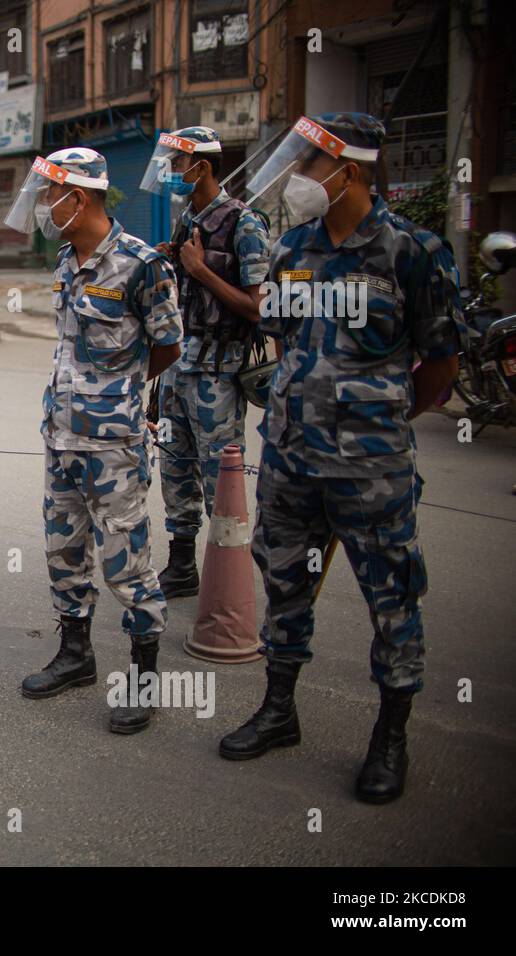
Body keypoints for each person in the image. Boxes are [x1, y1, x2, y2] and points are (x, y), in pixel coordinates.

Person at [219, 113, 462, 803]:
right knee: (285, 583)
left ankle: (391, 734)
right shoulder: (294, 247)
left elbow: (439, 371)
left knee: (391, 597)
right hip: (290, 461)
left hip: (370, 470)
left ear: (346, 172)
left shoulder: (412, 252)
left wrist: (371, 418)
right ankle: (279, 708)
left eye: (306, 166)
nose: (296, 179)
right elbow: (278, 333)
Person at [4, 148, 182, 734]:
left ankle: (144, 678)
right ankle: (76, 655)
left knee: (127, 565)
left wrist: (118, 396)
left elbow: (168, 347)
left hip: (114, 449)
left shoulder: (142, 265)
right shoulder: (64, 260)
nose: (44, 205)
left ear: (77, 199)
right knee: (64, 554)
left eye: (51, 194)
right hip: (60, 439)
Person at [138, 126, 271, 597]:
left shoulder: (244, 224)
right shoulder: (186, 219)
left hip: (219, 373)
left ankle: (227, 577)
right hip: (178, 369)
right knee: (176, 467)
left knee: (220, 478)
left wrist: (199, 270)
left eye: (178, 165)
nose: (172, 173)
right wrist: (170, 263)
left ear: (204, 168)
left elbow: (259, 307)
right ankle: (181, 566)